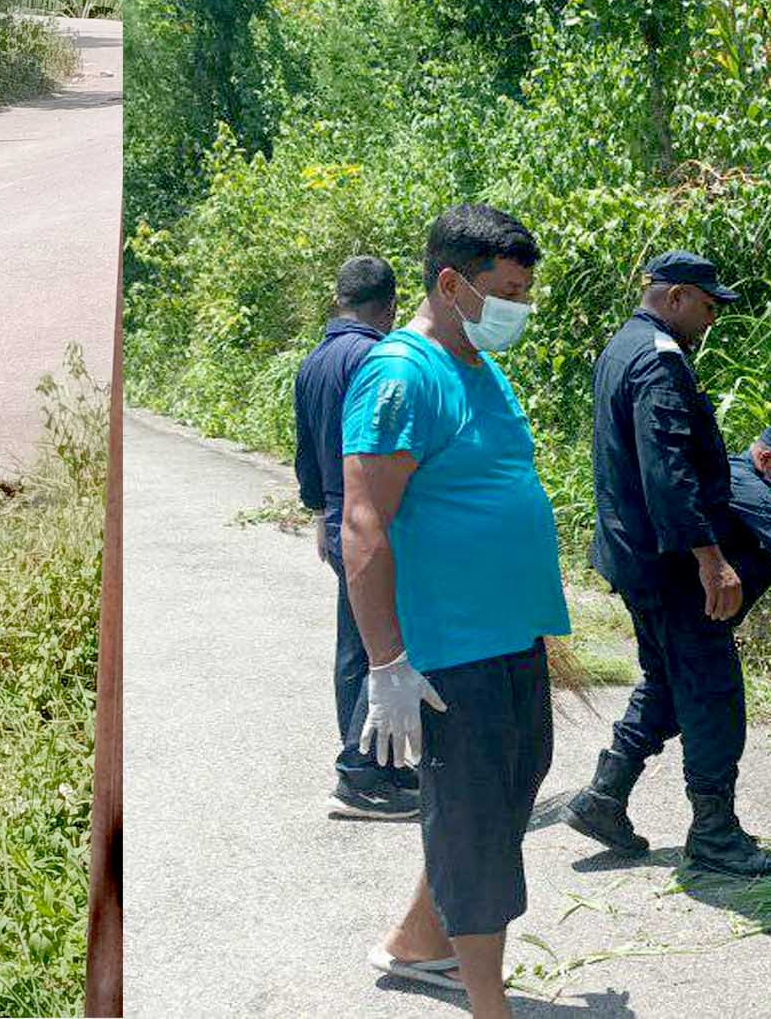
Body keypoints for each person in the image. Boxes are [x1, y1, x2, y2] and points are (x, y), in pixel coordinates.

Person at [339, 204, 569, 1018]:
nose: (521, 307)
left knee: (510, 790)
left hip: (509, 634)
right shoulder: (401, 374)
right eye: (507, 291)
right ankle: (487, 1002)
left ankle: (416, 943)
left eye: (525, 291)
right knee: (475, 822)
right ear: (450, 281)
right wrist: (388, 664)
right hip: (452, 648)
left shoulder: (480, 365)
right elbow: (364, 520)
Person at [565, 252, 771, 877]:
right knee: (715, 691)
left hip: (635, 556)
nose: (713, 317)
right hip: (670, 564)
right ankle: (715, 833)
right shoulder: (659, 361)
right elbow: (667, 469)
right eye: (708, 305)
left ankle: (604, 795)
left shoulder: (622, 347)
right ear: (674, 297)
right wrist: (710, 559)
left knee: (670, 682)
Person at [292, 254, 416, 819]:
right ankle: (361, 773)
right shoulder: (373, 357)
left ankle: (381, 765)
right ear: (390, 306)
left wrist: (319, 513)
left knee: (356, 642)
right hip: (371, 515)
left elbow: (304, 449)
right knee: (380, 642)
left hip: (340, 515)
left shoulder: (314, 361)